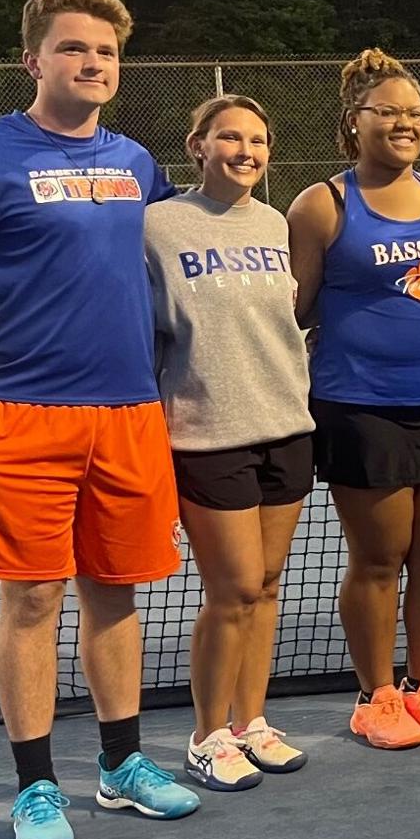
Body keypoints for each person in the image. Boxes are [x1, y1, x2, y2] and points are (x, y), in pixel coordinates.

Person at [0, 0, 200, 839]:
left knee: (114, 595)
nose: (93, 63)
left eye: (107, 52)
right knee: (33, 598)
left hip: (128, 417)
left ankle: (121, 765)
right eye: (74, 49)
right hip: (20, 414)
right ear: (32, 60)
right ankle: (35, 784)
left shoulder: (138, 164)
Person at [288, 48, 420, 749]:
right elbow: (297, 309)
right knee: (379, 557)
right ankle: (377, 695)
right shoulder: (323, 204)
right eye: (389, 112)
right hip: (360, 407)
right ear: (353, 122)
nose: (405, 123)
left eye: (415, 113)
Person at [146, 95, 312, 790]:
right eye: (230, 138)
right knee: (233, 589)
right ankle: (206, 735)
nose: (246, 150)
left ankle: (251, 724)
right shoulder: (155, 226)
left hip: (287, 425)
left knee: (267, 587)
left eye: (258, 139)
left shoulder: (275, 223)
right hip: (206, 432)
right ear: (198, 145)